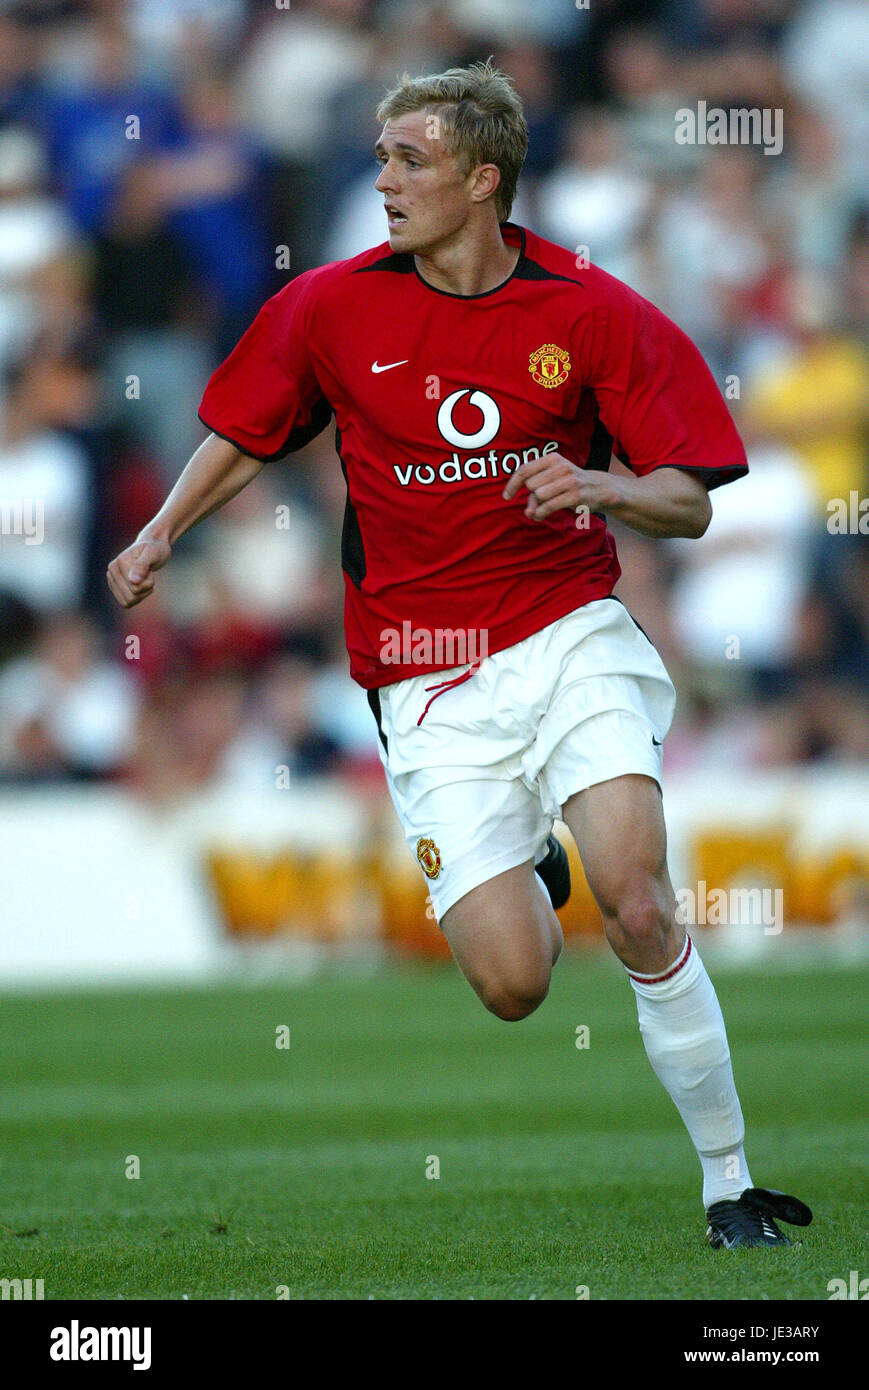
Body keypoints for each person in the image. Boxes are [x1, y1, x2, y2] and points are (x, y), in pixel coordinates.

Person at [107, 61, 812, 1250]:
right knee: (512, 984)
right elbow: (242, 428)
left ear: (483, 181)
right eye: (380, 159)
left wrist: (603, 485)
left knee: (638, 901)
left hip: (566, 630)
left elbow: (688, 500)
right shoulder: (329, 307)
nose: (383, 182)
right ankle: (532, 857)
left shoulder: (589, 309)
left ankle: (728, 1183)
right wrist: (162, 529)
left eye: (409, 161)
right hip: (424, 674)